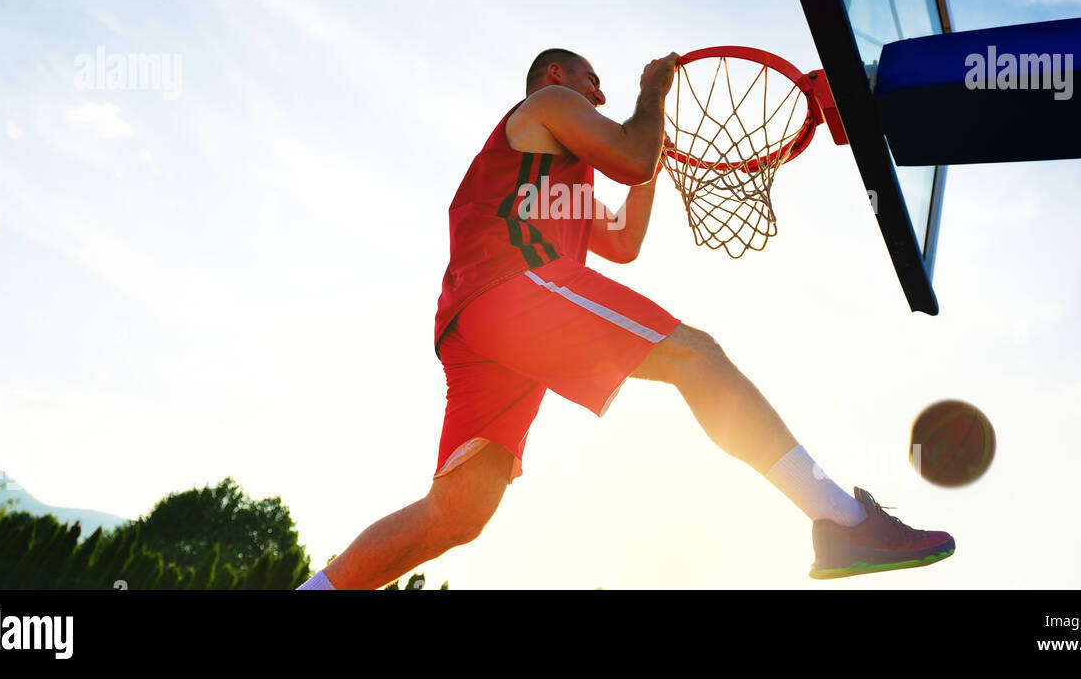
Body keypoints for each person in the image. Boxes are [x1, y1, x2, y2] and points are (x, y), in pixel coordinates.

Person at [299, 49, 953, 589]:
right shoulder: (546, 107)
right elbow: (633, 154)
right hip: (512, 289)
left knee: (456, 514)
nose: (601, 92)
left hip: (484, 323)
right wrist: (654, 92)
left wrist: (652, 147)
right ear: (556, 77)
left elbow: (623, 242)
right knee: (695, 355)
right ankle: (840, 520)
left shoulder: (564, 176)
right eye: (592, 79)